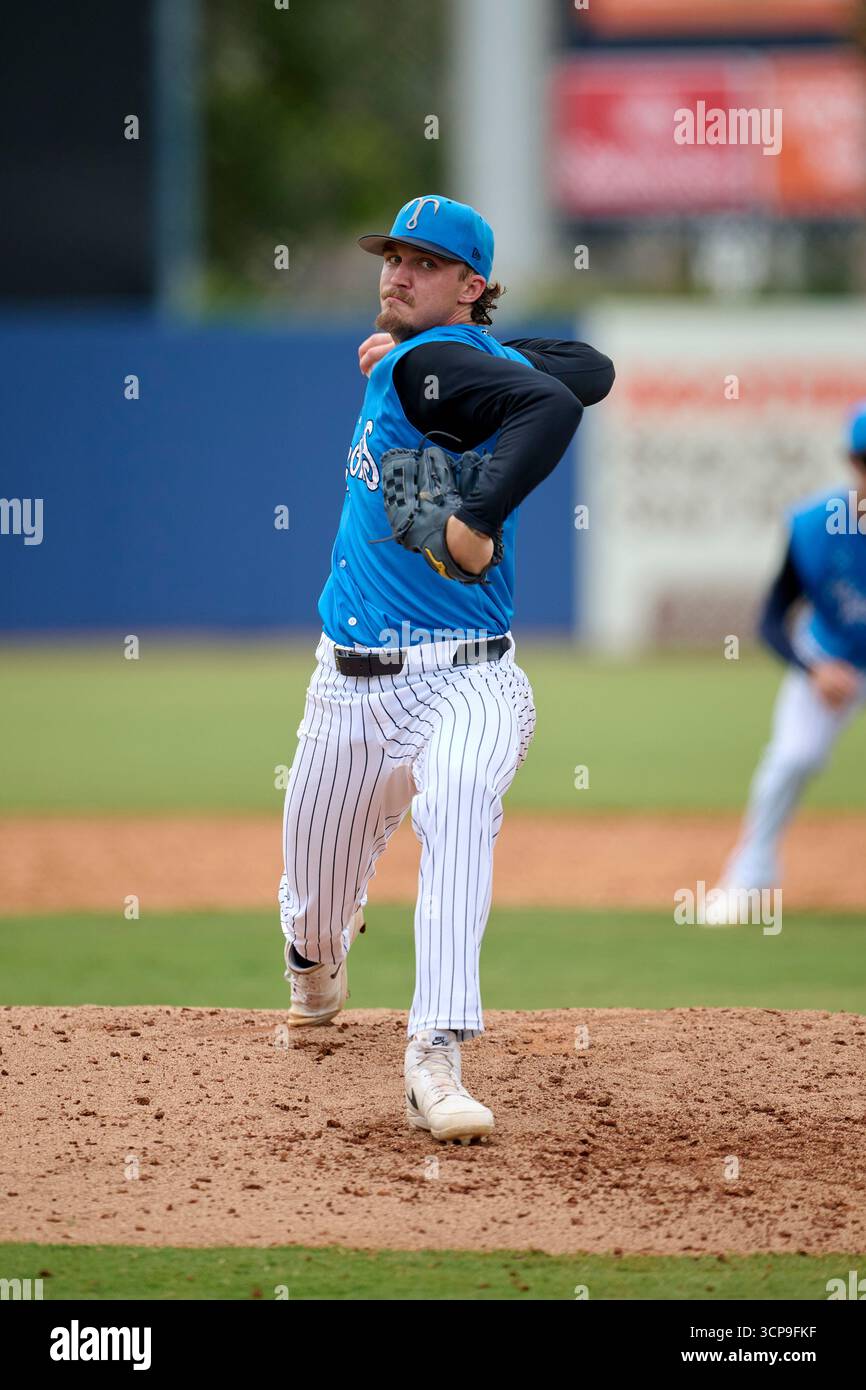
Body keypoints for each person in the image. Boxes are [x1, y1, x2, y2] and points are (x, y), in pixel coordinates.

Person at [278, 194, 614, 1142]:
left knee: (460, 802)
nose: (397, 273)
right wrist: (474, 349)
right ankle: (315, 964)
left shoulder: (424, 359)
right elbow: (588, 366)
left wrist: (478, 519)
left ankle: (437, 1049)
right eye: (393, 256)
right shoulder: (424, 360)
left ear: (469, 286)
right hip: (347, 686)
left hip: (469, 678)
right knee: (312, 912)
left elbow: (562, 391)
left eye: (423, 263)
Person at [707, 402, 866, 923]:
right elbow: (773, 620)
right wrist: (814, 668)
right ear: (852, 461)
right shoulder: (817, 525)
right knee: (793, 759)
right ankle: (748, 877)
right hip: (831, 657)